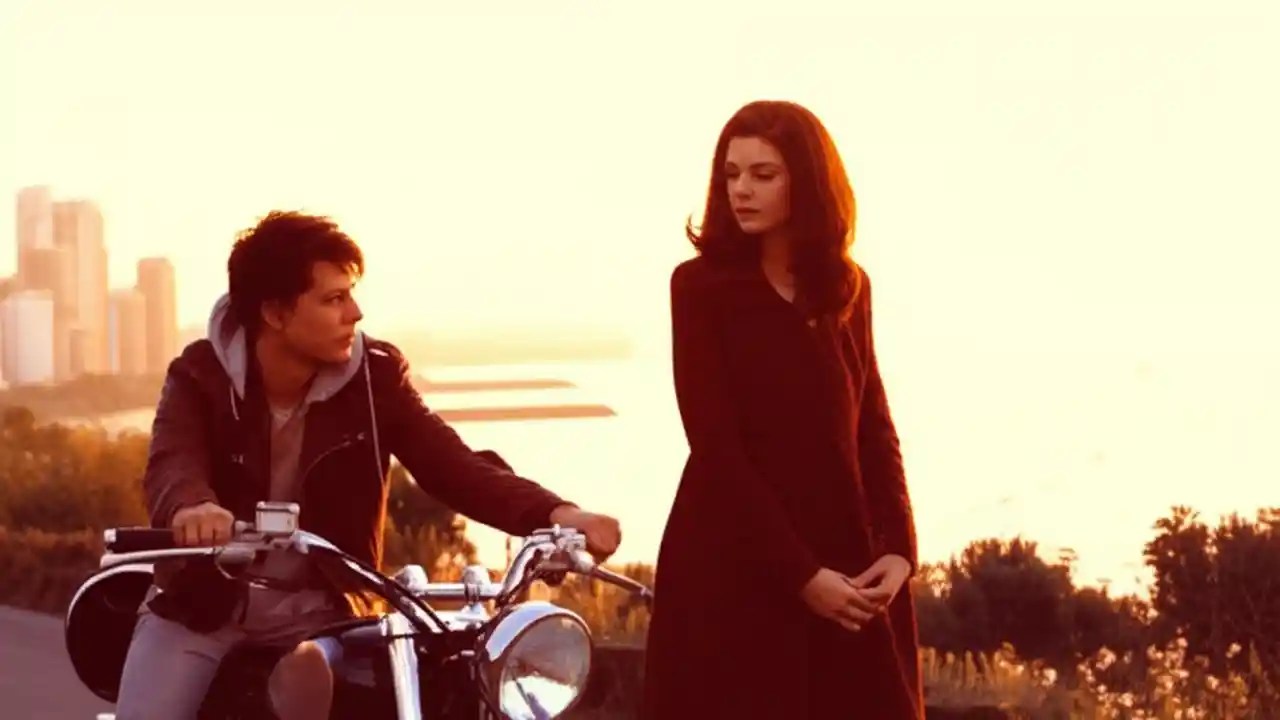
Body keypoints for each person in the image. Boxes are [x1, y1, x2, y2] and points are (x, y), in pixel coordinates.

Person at [114, 210, 622, 720]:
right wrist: (194, 507)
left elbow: (453, 465)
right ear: (275, 313)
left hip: (331, 607)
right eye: (333, 298)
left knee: (416, 688)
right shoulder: (200, 377)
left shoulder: (375, 381)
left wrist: (558, 515)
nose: (354, 313)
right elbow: (172, 462)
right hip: (207, 605)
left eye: (352, 294)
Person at [641, 100, 924, 719]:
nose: (741, 190)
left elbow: (874, 424)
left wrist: (900, 550)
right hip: (730, 569)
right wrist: (802, 576)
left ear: (810, 180)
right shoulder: (699, 289)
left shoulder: (849, 286)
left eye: (763, 175)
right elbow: (716, 448)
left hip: (850, 569)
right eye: (731, 174)